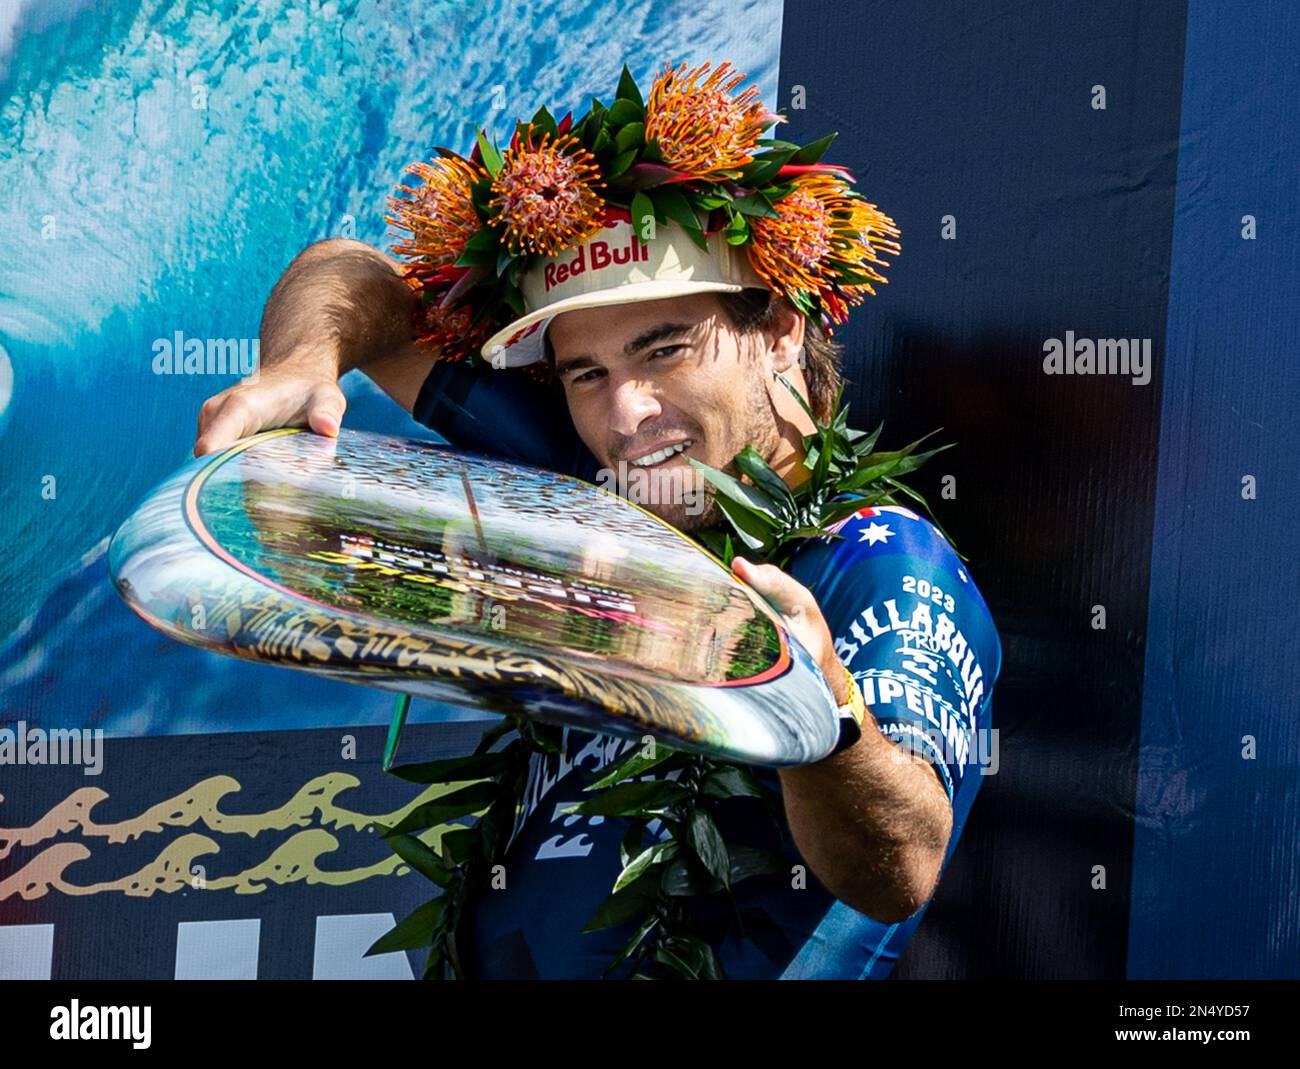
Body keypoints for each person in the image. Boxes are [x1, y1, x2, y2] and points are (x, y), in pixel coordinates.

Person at [194, 60, 1001, 979]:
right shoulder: (591, 484)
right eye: (588, 373)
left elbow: (902, 867)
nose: (626, 414)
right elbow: (349, 275)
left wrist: (824, 715)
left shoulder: (883, 560)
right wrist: (297, 363)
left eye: (666, 349)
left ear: (777, 327)